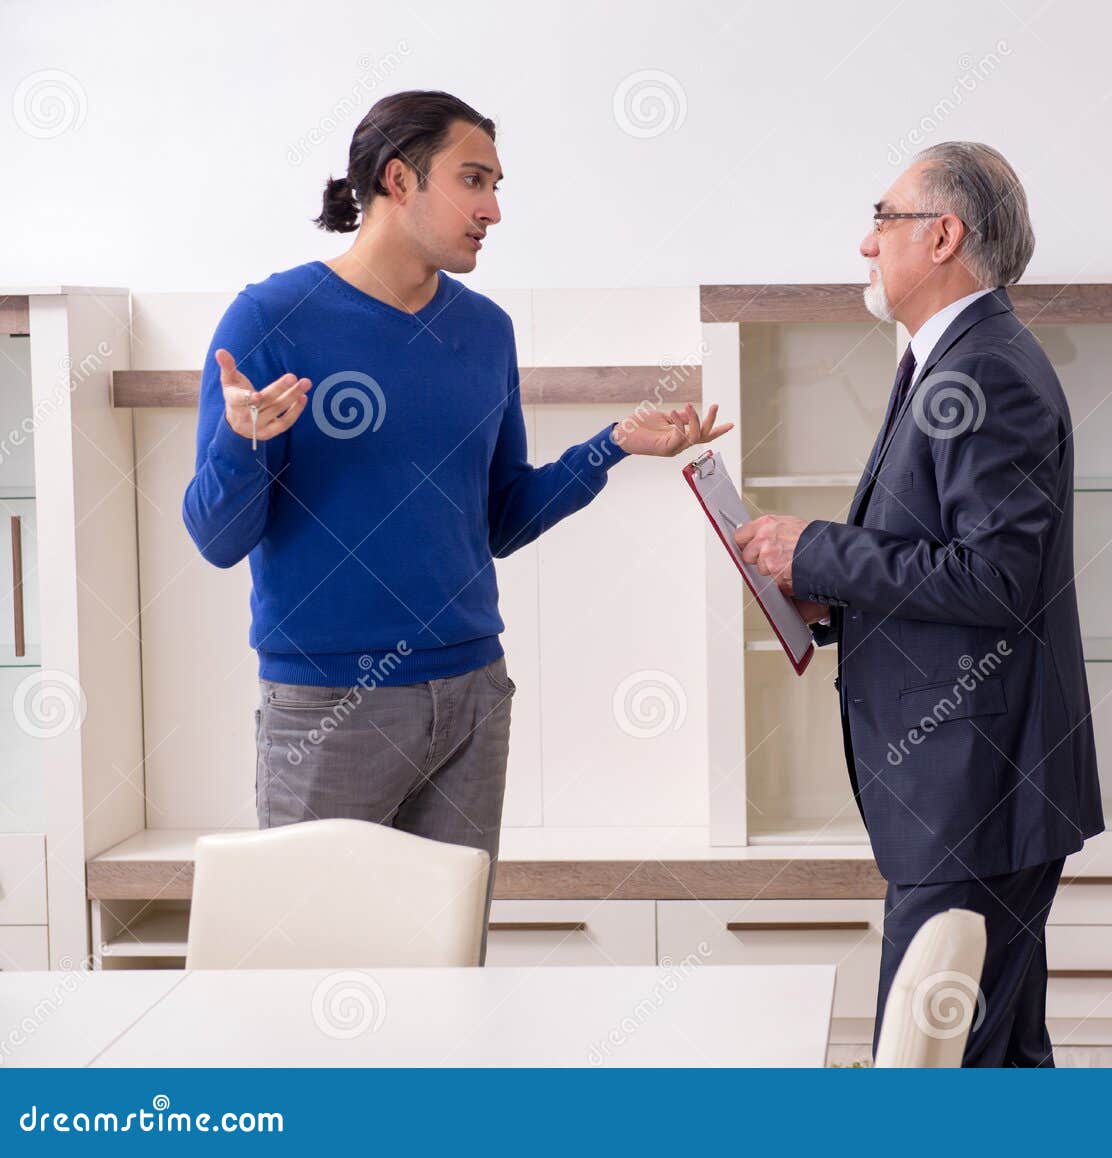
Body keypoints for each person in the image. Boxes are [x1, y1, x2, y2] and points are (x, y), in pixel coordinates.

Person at [182, 90, 728, 963]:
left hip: (473, 698)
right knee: (310, 982)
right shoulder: (271, 321)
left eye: (498, 184)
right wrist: (247, 446)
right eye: (474, 180)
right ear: (398, 180)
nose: (494, 209)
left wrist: (612, 446)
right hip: (330, 710)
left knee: (445, 983)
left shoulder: (483, 332)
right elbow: (215, 537)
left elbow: (501, 519)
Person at [734, 141, 1102, 1066]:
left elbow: (995, 579)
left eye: (883, 220)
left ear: (943, 237)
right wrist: (831, 596)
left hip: (976, 792)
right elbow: (948, 562)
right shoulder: (954, 359)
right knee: (999, 1056)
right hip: (969, 786)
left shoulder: (984, 370)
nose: (865, 245)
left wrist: (816, 548)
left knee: (934, 1068)